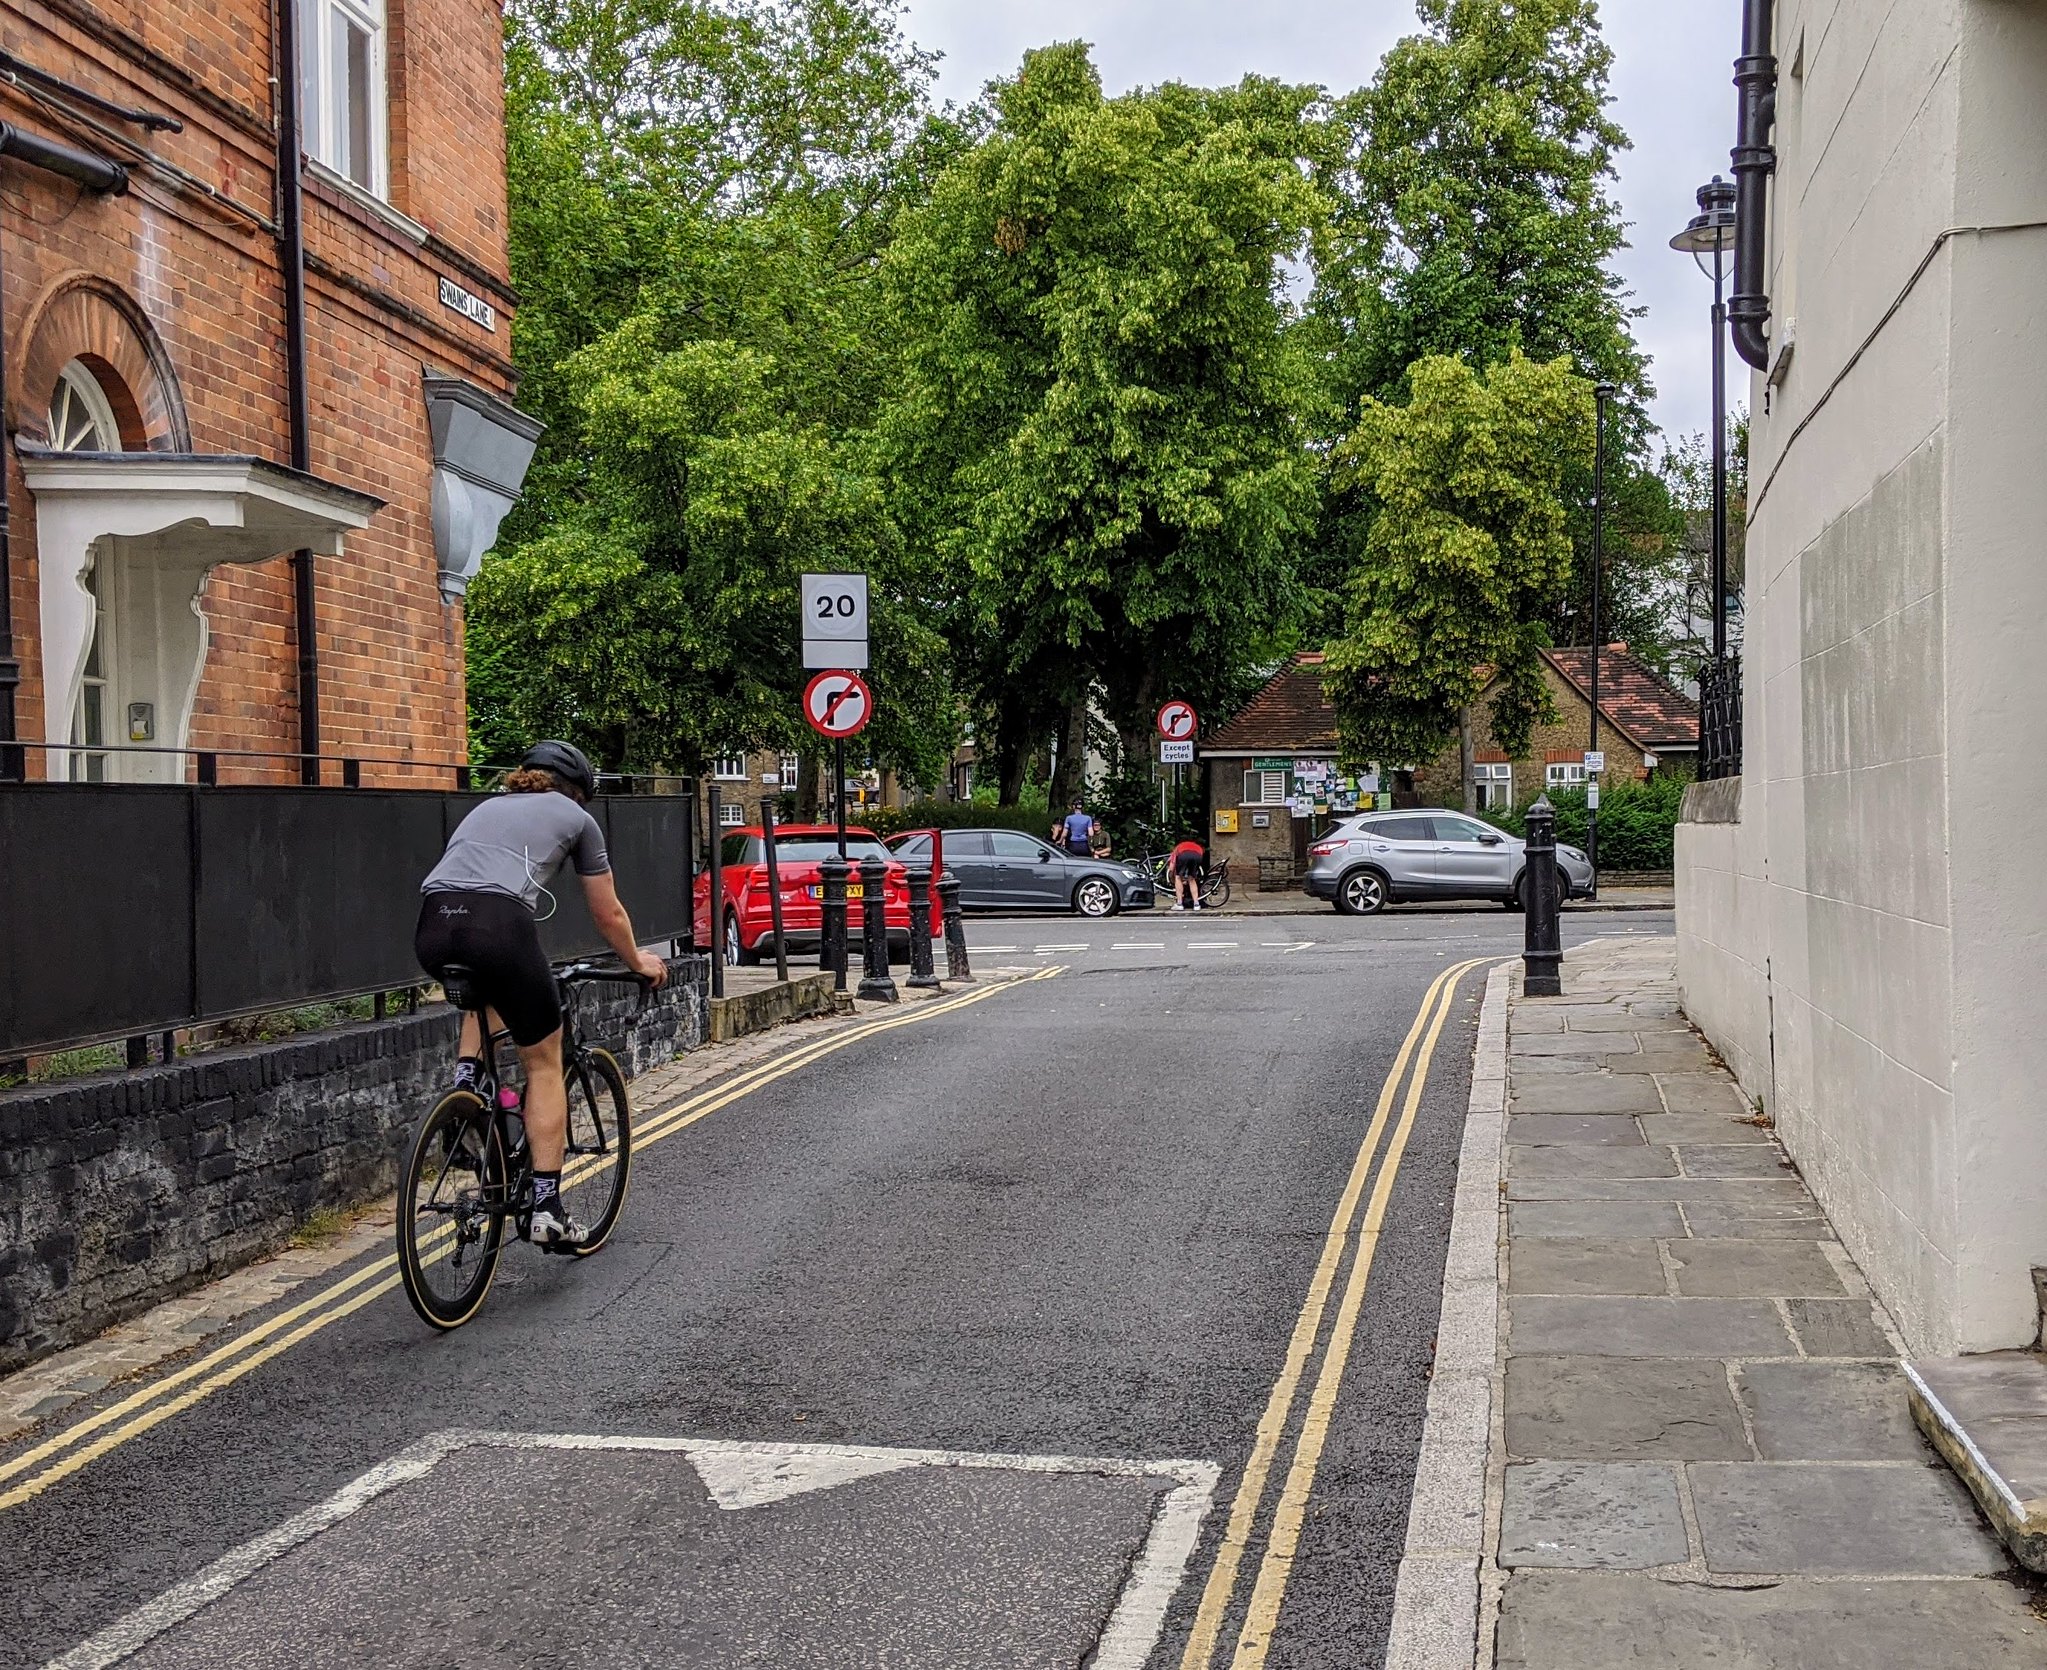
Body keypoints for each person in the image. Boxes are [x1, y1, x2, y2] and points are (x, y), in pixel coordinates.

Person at [415, 740, 668, 1249]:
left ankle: (466, 1090)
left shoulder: (486, 807)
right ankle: (548, 1208)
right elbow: (608, 913)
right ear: (578, 790)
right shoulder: (575, 817)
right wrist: (638, 961)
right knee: (543, 1062)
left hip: (433, 923)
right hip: (499, 926)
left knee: (483, 994)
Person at [1171, 835, 1207, 911]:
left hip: (1183, 855)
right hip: (1197, 856)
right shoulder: (1197, 846)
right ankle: (1196, 904)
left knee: (1178, 878)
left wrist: (1173, 874)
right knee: (1192, 879)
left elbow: (1172, 866)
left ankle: (1179, 904)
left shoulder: (1179, 846)